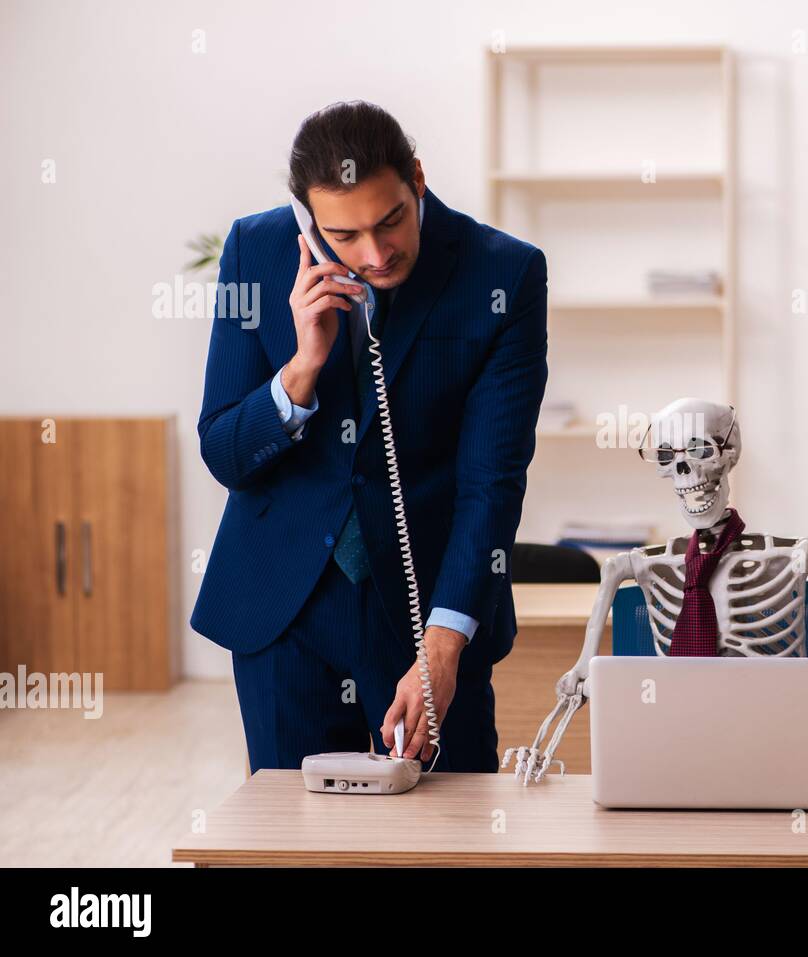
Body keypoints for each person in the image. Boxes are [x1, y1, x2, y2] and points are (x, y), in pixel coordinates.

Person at [191, 100, 547, 773]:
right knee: (296, 844)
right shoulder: (255, 250)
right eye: (345, 235)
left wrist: (442, 647)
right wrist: (300, 370)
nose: (376, 254)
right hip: (284, 613)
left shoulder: (503, 272)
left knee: (452, 837)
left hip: (430, 607)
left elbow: (491, 480)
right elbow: (224, 450)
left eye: (390, 221)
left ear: (416, 177)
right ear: (305, 219)